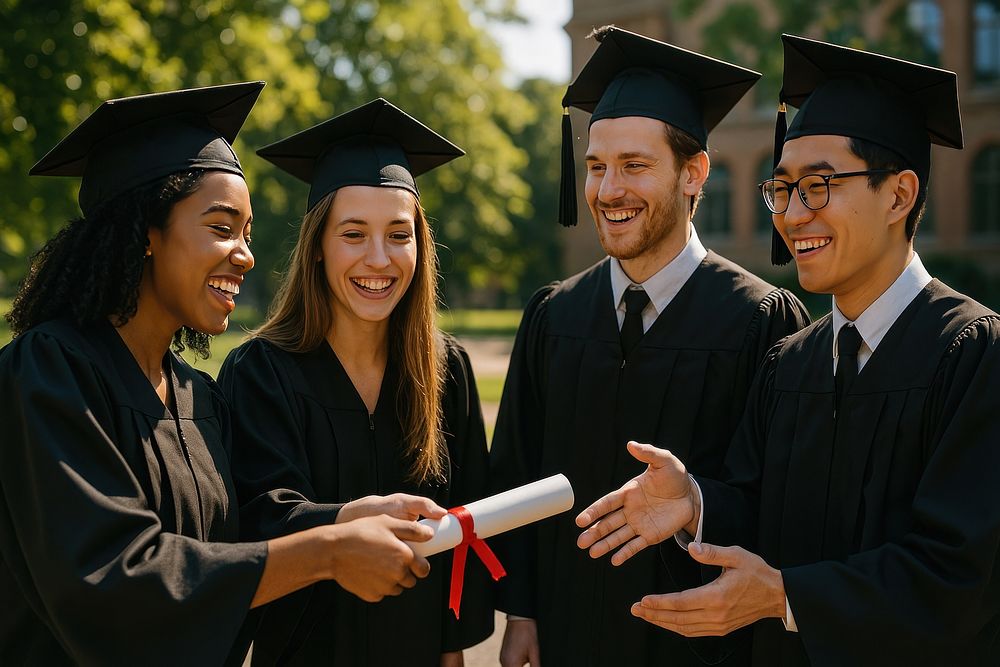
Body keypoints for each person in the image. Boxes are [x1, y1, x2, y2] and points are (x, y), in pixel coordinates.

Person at [576, 34, 1000, 666]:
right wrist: (696, 502)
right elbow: (753, 508)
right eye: (783, 188)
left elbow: (960, 574)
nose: (794, 213)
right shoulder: (791, 363)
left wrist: (785, 596)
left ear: (900, 195)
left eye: (820, 185)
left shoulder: (972, 353)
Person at [0, 83, 441, 665]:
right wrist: (328, 550)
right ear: (147, 234)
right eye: (221, 227)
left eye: (248, 233)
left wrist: (345, 516)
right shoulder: (52, 371)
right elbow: (115, 577)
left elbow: (244, 530)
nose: (245, 254)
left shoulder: (196, 395)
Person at [489, 26, 810, 667]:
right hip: (566, 632)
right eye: (597, 166)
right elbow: (515, 473)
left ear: (694, 174)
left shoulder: (761, 322)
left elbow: (783, 503)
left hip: (700, 645)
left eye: (635, 166)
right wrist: (520, 611)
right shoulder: (554, 317)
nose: (609, 191)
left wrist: (696, 503)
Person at [218, 98, 494, 666]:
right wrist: (347, 521)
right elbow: (258, 519)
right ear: (317, 247)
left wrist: (453, 648)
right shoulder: (262, 372)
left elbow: (469, 524)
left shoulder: (447, 372)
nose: (379, 258)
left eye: (399, 234)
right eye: (353, 234)